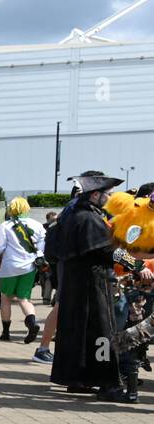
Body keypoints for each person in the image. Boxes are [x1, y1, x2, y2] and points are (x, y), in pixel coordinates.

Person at [50, 171, 126, 400]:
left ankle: (77, 378)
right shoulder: (89, 218)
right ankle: (106, 382)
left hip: (75, 282)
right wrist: (138, 263)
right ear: (95, 195)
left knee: (76, 332)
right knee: (102, 333)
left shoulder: (70, 215)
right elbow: (107, 250)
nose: (111, 198)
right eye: (108, 194)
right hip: (92, 283)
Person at [0, 197, 45, 344]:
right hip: (29, 267)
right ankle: (32, 323)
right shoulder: (38, 225)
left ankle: (6, 332)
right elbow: (41, 248)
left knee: (6, 298)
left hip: (10, 267)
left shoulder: (5, 226)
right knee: (24, 299)